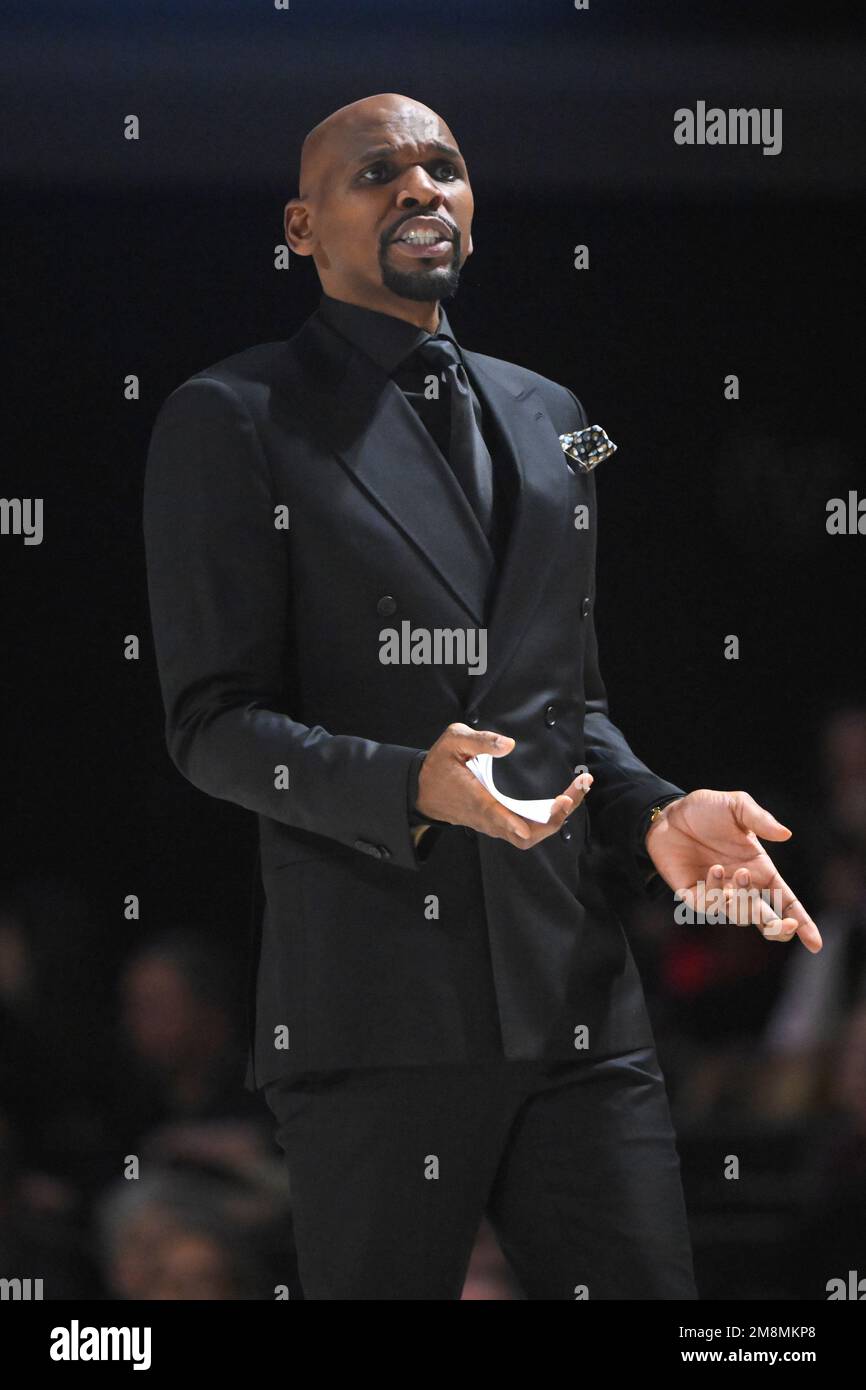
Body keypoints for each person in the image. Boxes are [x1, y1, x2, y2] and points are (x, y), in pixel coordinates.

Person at [143, 92, 821, 1300]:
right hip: (375, 1013)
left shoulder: (552, 416)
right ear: (302, 227)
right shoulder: (231, 417)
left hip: (574, 1000)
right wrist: (409, 785)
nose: (417, 188)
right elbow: (211, 724)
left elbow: (569, 708)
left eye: (441, 166)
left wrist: (655, 815)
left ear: (471, 204)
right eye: (375, 174)